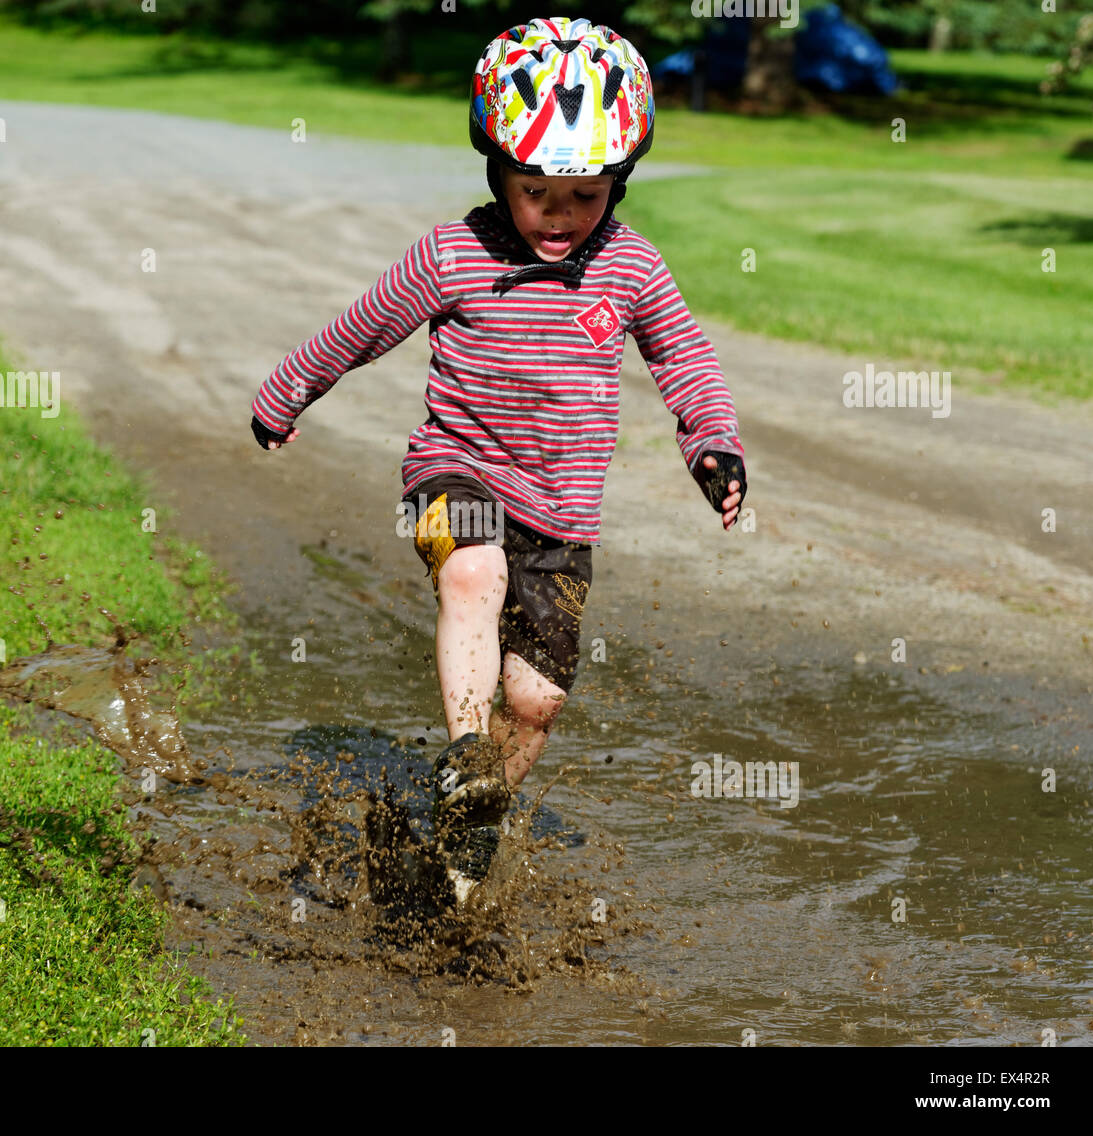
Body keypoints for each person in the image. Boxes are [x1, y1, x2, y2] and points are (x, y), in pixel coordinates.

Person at [251, 16, 747, 903]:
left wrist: (711, 444)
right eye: (535, 192)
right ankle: (465, 755)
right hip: (457, 470)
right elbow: (363, 330)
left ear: (620, 183)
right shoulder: (452, 254)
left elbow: (683, 358)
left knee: (539, 702)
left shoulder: (631, 268)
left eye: (585, 196)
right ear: (495, 173)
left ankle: (462, 844)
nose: (559, 217)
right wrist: (287, 393)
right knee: (473, 574)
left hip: (562, 516)